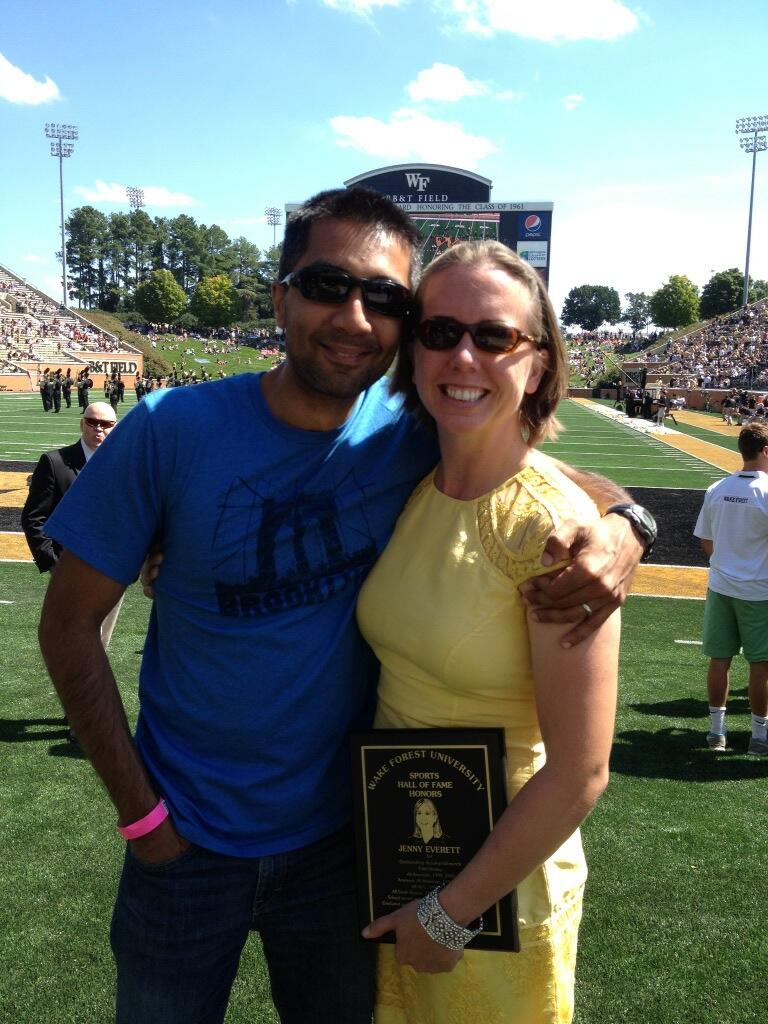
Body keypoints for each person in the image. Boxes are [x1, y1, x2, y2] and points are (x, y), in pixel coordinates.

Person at [38, 188, 649, 1024]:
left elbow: (534, 472)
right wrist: (142, 818)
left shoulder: (409, 429)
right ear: (281, 293)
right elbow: (68, 626)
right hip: (183, 840)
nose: (355, 318)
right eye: (328, 285)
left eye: (388, 301)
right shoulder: (167, 429)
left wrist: (625, 524)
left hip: (344, 845)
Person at [357, 241, 621, 1023]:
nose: (462, 354)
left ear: (537, 364)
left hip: (493, 892)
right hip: (402, 859)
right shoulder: (416, 483)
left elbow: (581, 771)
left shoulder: (553, 529)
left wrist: (452, 910)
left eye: (494, 336)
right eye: (438, 332)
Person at [21, 401, 121, 741]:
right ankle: (82, 717)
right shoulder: (56, 462)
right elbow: (34, 518)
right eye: (92, 422)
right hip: (70, 573)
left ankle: (78, 713)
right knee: (77, 644)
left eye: (107, 424)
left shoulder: (122, 464)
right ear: (82, 423)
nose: (99, 429)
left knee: (100, 645)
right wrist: (53, 563)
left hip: (111, 571)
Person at [693, 422, 768, 756]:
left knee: (719, 660)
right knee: (760, 665)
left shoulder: (717, 488)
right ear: (764, 450)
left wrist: (725, 565)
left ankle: (716, 733)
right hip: (759, 591)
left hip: (721, 586)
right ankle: (759, 737)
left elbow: (706, 541)